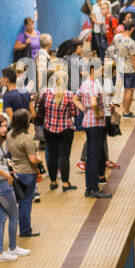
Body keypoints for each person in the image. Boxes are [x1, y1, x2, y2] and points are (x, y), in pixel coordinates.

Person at [0, 114, 27, 262]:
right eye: (1, 126)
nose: (5, 128)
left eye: (5, 125)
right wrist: (7, 175)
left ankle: (0, 252)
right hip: (2, 184)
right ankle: (12, 247)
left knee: (1, 218)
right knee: (14, 215)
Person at [41, 65, 80, 193]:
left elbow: (40, 109)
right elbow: (75, 113)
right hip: (65, 130)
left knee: (52, 155)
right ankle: (65, 183)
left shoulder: (46, 92)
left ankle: (52, 182)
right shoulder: (69, 95)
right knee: (64, 157)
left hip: (49, 128)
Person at [6, 109, 41, 239]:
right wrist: (39, 158)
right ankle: (25, 230)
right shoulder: (26, 139)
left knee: (20, 201)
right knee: (26, 202)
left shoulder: (9, 135)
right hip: (28, 173)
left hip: (16, 173)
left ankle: (21, 227)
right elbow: (32, 160)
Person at [78, 66, 111, 199]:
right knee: (94, 157)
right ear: (93, 70)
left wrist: (84, 110)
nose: (101, 72)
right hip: (95, 125)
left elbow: (75, 99)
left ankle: (89, 188)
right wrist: (98, 114)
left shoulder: (85, 84)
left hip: (87, 123)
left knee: (91, 156)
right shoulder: (93, 86)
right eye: (100, 70)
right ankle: (93, 189)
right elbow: (93, 102)